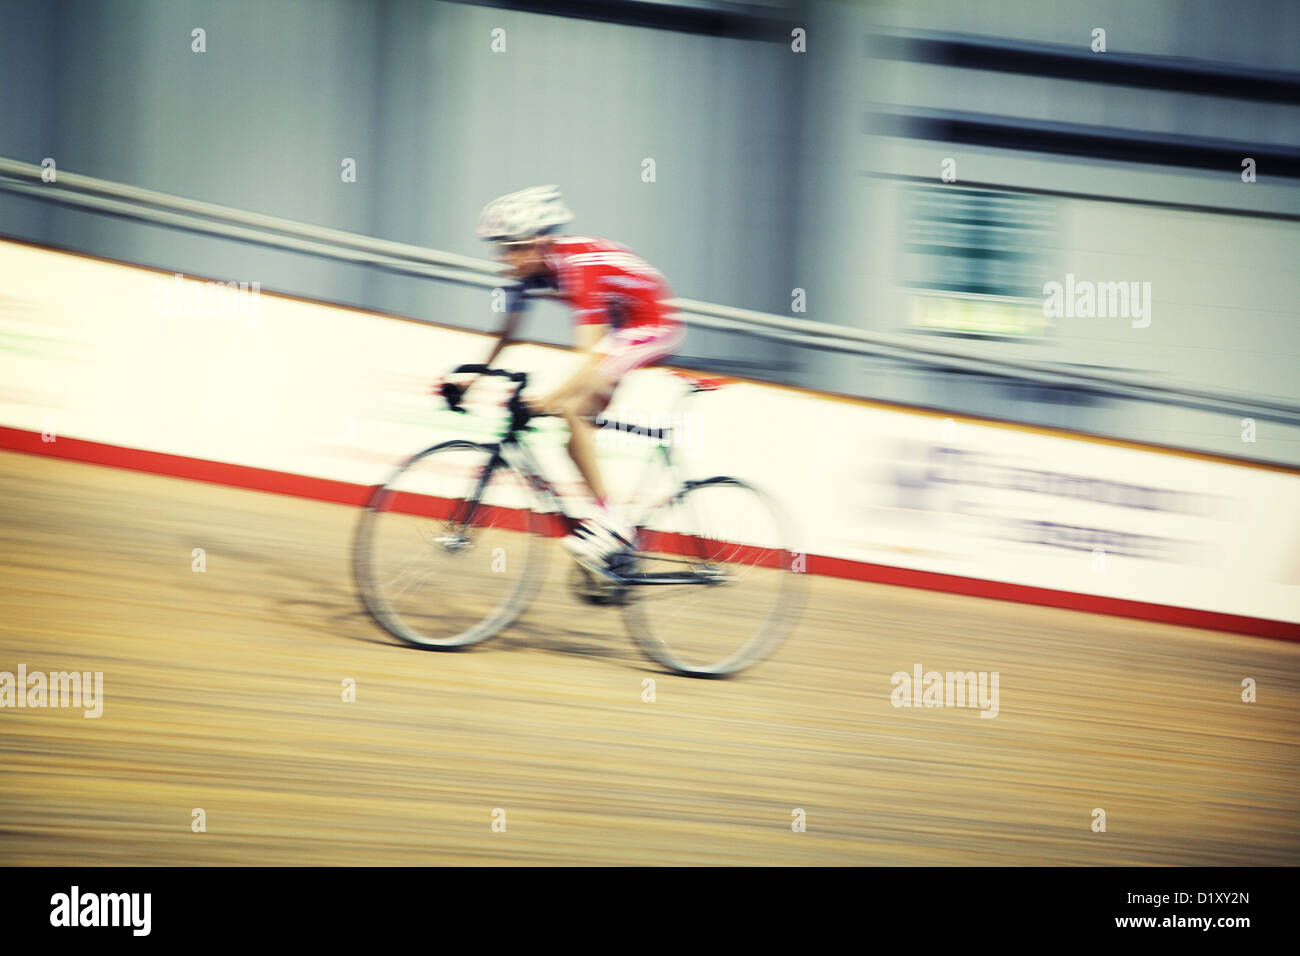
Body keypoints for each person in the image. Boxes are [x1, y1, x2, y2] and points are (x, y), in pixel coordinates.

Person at [463, 185, 685, 569]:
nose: (506, 260)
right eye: (501, 250)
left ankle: (613, 524)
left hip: (651, 321)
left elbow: (589, 357)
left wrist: (544, 401)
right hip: (621, 325)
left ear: (539, 243)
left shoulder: (578, 266)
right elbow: (508, 333)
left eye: (513, 248)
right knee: (574, 428)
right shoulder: (533, 270)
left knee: (572, 406)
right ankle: (611, 528)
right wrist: (473, 378)